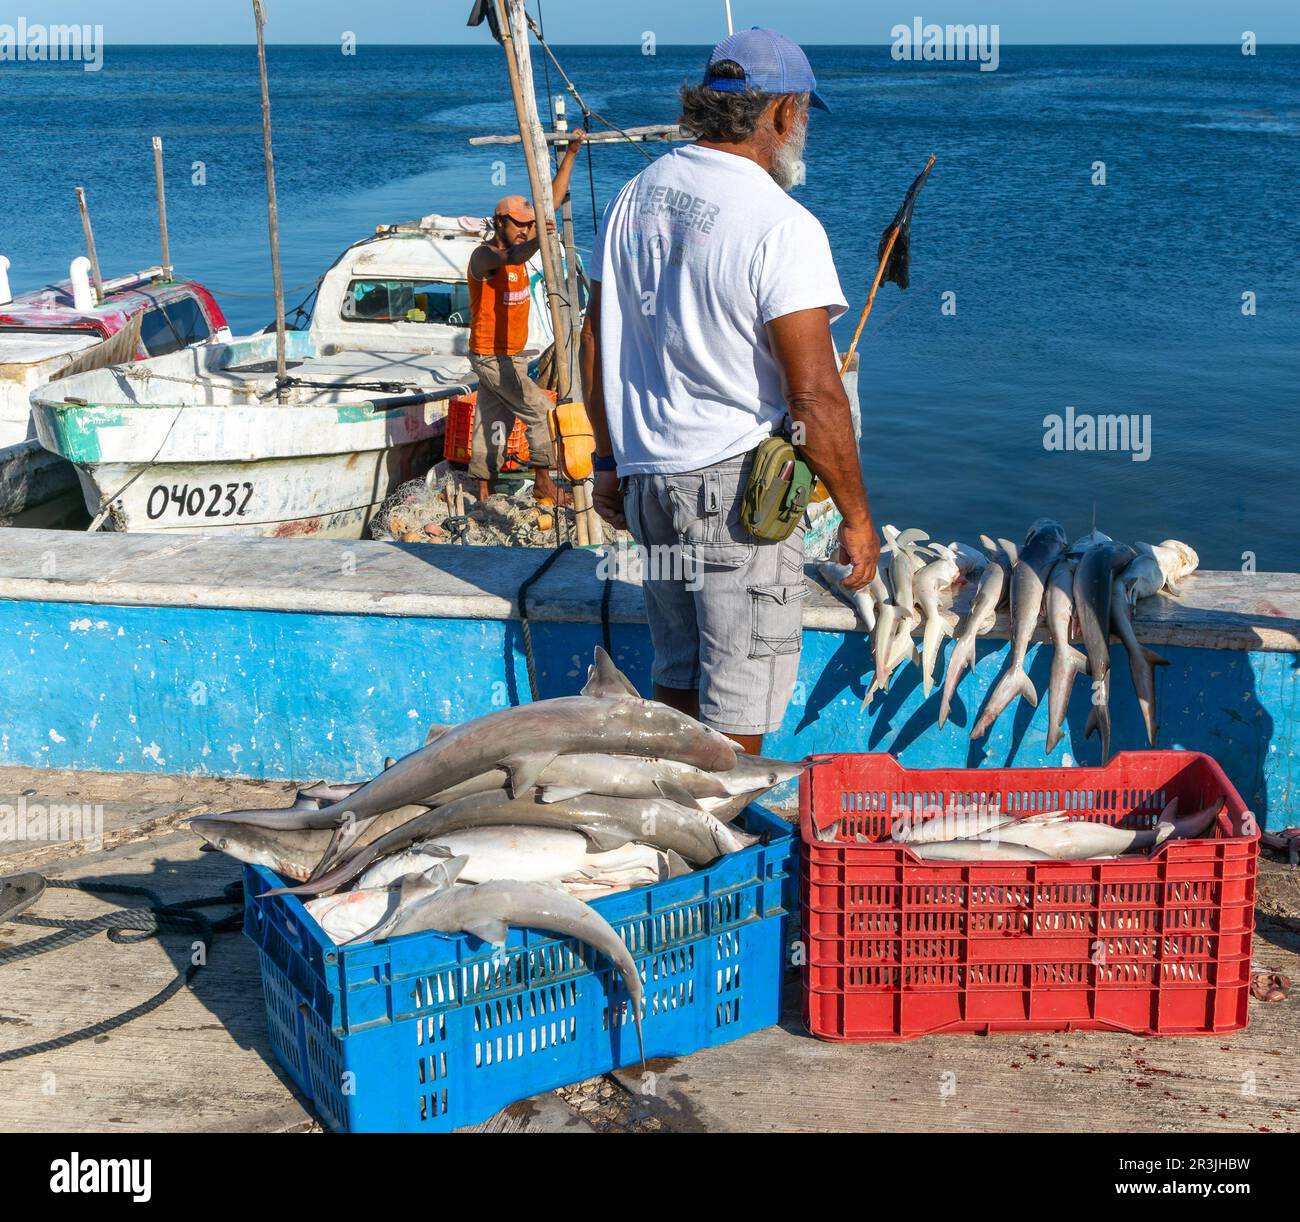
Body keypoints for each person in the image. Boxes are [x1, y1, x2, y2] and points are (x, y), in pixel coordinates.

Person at [582, 29, 880, 753]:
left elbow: (596, 342)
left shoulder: (634, 196)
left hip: (651, 482)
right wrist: (856, 514)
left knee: (678, 674)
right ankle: (719, 838)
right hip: (734, 492)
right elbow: (814, 396)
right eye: (802, 114)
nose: (801, 129)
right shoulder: (782, 224)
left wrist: (609, 461)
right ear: (780, 115)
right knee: (740, 693)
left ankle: (669, 830)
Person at [467, 129, 585, 506]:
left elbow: (549, 198)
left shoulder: (522, 244)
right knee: (541, 410)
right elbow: (511, 258)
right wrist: (539, 240)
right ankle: (543, 484)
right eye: (518, 224)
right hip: (491, 356)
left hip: (511, 355)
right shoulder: (485, 257)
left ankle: (483, 487)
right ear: (499, 222)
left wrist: (571, 152)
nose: (524, 230)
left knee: (491, 419)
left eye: (528, 225)